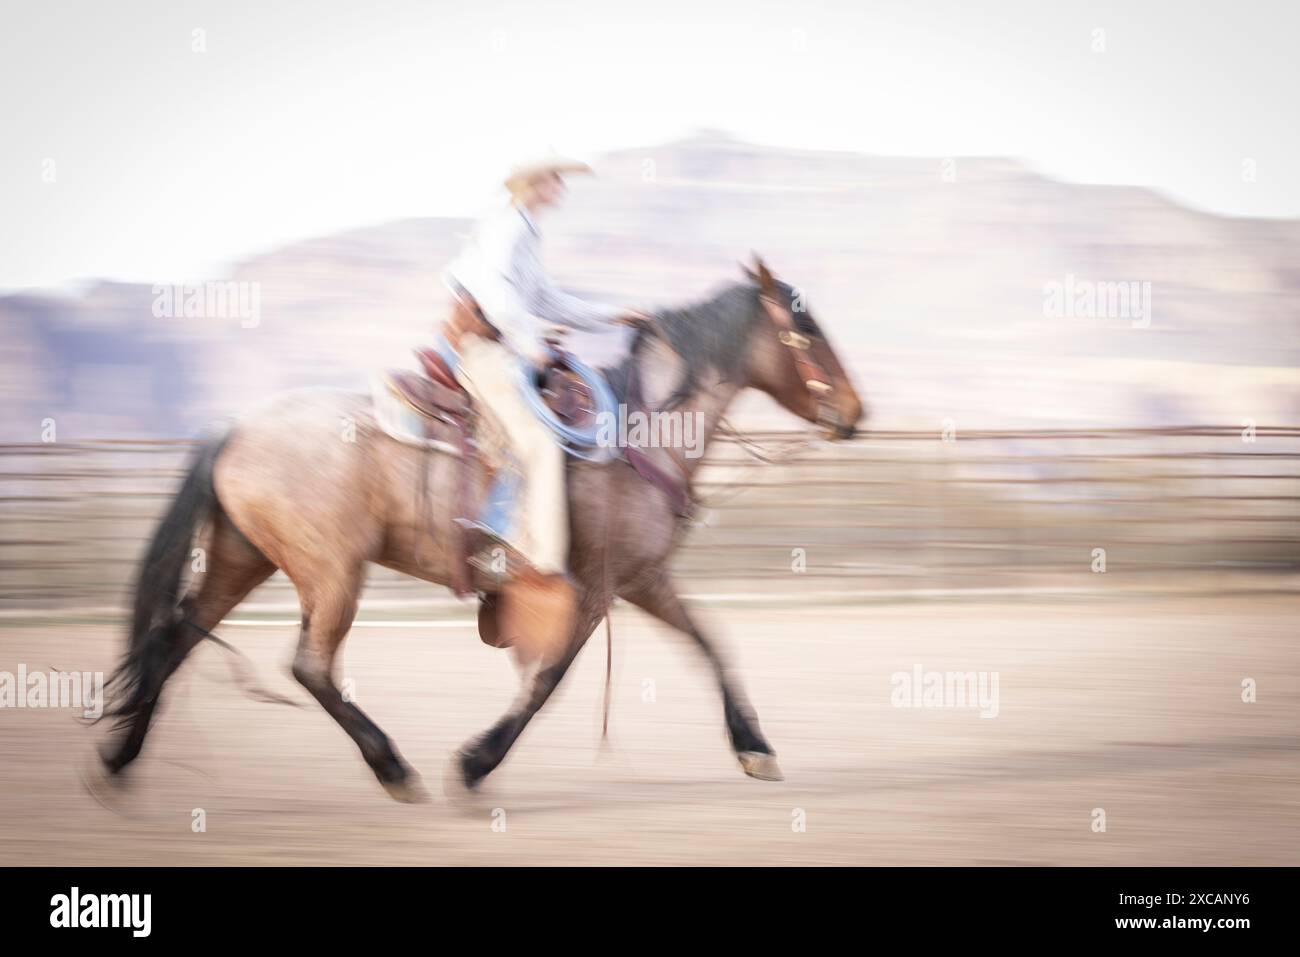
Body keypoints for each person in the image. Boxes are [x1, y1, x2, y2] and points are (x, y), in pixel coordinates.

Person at [441, 156, 641, 592]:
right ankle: (543, 566)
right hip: (481, 347)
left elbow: (547, 300)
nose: (561, 186)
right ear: (532, 183)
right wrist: (528, 343)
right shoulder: (509, 226)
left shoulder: (525, 230)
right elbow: (495, 292)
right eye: (554, 178)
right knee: (540, 444)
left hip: (500, 342)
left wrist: (614, 316)